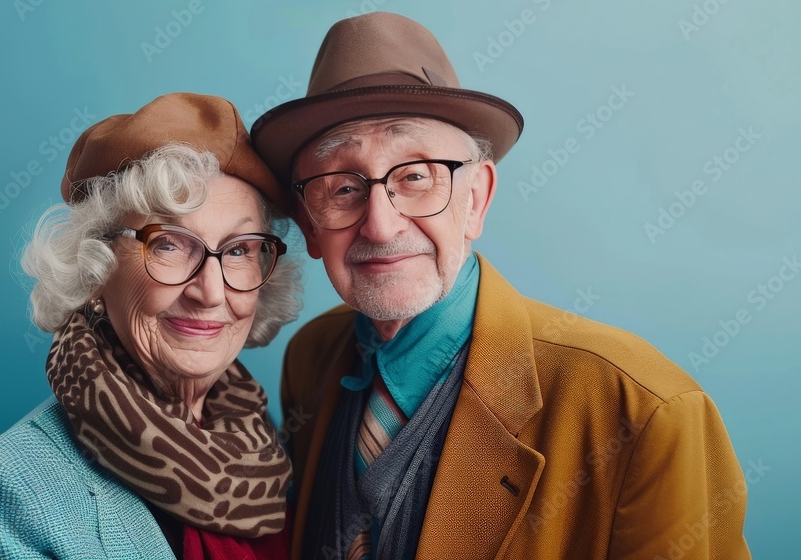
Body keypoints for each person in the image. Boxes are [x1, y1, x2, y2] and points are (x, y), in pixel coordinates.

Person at [250, 13, 750, 560]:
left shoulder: (647, 410)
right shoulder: (310, 357)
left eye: (416, 176)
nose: (380, 224)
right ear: (308, 224)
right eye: (341, 187)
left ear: (477, 199)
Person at [0, 93, 301, 559]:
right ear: (96, 269)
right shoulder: (6, 489)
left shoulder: (269, 443)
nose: (210, 292)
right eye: (169, 244)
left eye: (238, 250)